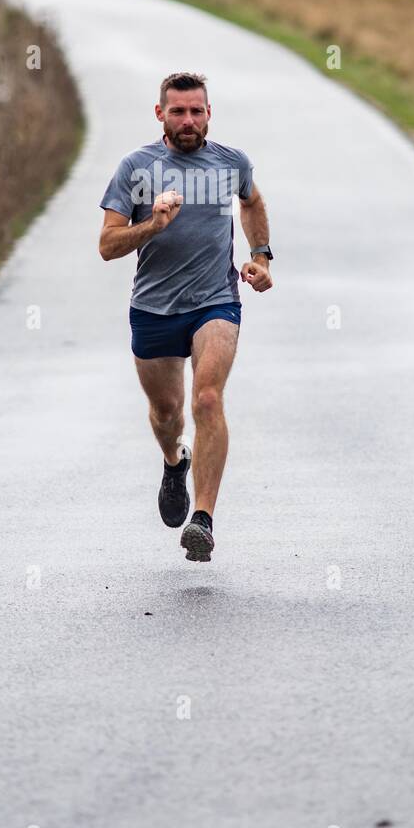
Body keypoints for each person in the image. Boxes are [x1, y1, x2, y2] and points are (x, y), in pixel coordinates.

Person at [98, 71, 273, 562]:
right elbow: (107, 246)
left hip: (216, 300)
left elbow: (253, 201)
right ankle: (175, 461)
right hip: (153, 306)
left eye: (197, 110)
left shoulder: (231, 162)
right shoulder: (135, 168)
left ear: (209, 113)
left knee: (208, 398)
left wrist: (261, 256)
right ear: (161, 115)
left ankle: (203, 519)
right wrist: (153, 224)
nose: (189, 120)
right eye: (178, 111)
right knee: (168, 414)